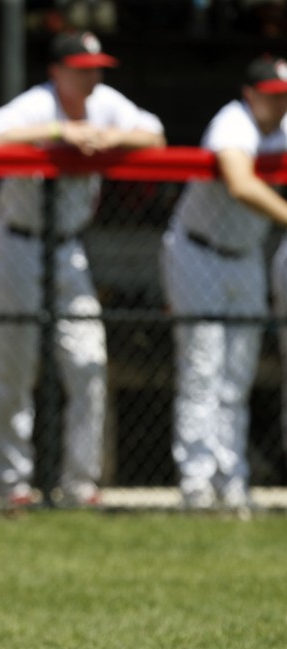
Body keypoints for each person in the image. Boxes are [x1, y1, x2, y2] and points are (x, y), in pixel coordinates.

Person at [0, 30, 166, 508]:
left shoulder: (105, 103)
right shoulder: (37, 104)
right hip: (14, 241)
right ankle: (12, 483)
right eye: (80, 67)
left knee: (88, 363)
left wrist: (110, 137)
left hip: (67, 247)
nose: (90, 76)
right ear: (56, 71)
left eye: (95, 66)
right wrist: (60, 133)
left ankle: (80, 484)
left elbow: (156, 135)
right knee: (15, 367)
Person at [168, 55, 287, 513]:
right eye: (271, 97)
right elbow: (240, 183)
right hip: (198, 251)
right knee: (203, 369)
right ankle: (196, 484)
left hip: (246, 257)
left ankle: (231, 478)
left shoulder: (281, 125)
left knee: (237, 376)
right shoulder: (233, 122)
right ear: (251, 94)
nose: (278, 106)